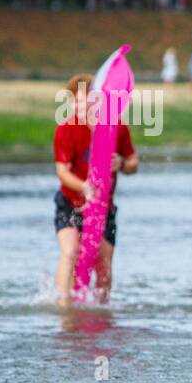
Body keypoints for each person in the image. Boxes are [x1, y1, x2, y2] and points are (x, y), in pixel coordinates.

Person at [53, 73, 139, 305]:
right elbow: (62, 171)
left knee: (104, 266)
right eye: (77, 101)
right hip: (71, 201)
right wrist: (84, 187)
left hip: (104, 206)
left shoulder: (116, 127)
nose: (81, 106)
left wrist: (121, 163)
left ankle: (101, 313)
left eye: (87, 100)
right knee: (71, 252)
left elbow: (134, 164)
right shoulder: (66, 129)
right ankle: (64, 309)